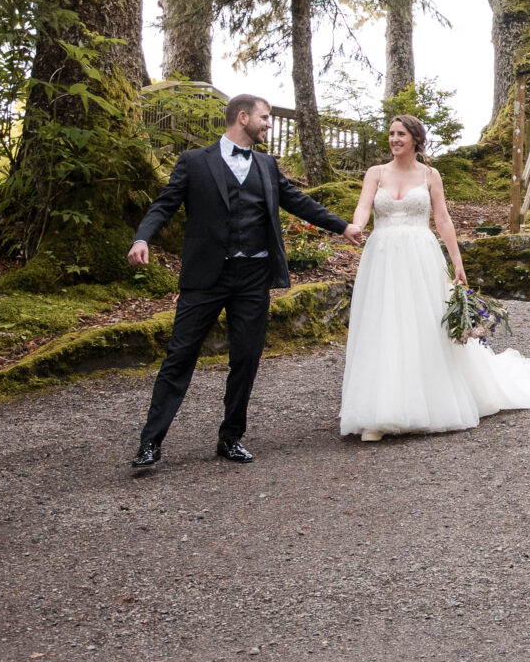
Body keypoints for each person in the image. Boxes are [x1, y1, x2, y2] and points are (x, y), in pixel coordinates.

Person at [129, 93, 362, 471]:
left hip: (253, 277)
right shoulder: (193, 162)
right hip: (206, 278)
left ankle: (231, 437)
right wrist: (143, 238)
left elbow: (298, 202)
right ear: (243, 118)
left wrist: (342, 226)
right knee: (179, 357)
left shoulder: (267, 165)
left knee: (247, 358)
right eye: (265, 118)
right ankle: (150, 443)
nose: (269, 123)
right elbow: (164, 205)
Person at [338, 114, 530, 441]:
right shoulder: (375, 174)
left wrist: (457, 263)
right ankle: (379, 413)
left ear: (415, 140)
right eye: (392, 134)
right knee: (385, 325)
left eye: (401, 134)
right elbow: (363, 208)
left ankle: (427, 402)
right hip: (382, 257)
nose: (394, 139)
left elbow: (443, 219)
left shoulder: (430, 175)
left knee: (422, 325)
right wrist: (357, 226)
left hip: (420, 256)